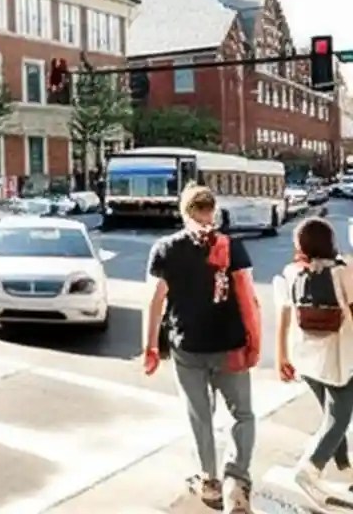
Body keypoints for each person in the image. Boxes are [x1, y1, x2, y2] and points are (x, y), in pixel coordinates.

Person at [142, 185, 259, 513]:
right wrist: (254, 341)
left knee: (199, 414)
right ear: (213, 210)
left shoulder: (165, 249)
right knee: (243, 414)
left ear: (184, 212)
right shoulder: (232, 246)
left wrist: (150, 346)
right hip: (230, 346)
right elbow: (249, 299)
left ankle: (209, 479)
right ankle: (237, 480)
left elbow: (154, 300)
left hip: (187, 347)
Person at [274, 216, 353, 508]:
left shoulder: (291, 272)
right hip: (339, 359)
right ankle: (309, 469)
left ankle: (345, 466)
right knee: (340, 415)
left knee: (330, 416)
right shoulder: (344, 273)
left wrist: (281, 355)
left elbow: (283, 316)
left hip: (305, 358)